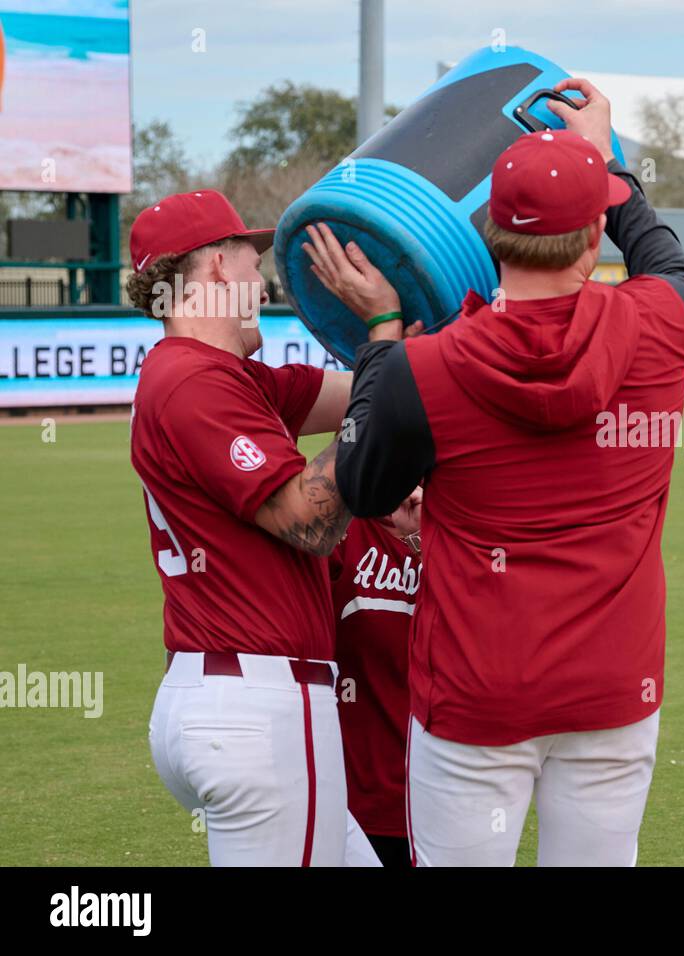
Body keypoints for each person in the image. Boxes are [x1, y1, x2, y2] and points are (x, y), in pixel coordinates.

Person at [304, 78, 684, 866]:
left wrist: (383, 332)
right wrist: (607, 165)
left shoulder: (425, 368)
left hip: (475, 696)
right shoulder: (662, 323)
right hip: (614, 689)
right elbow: (666, 260)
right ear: (595, 235)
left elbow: (363, 491)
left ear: (487, 232)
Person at [128, 189, 413, 865]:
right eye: (251, 261)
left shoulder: (231, 377)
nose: (262, 281)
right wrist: (379, 344)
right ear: (218, 268)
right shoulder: (193, 381)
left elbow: (385, 386)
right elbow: (311, 522)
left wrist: (410, 332)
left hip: (235, 693)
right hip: (260, 702)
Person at [329, 488, 423, 868]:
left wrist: (422, 537)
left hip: (450, 790)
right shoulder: (337, 529)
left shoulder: (460, 528)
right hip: (355, 796)